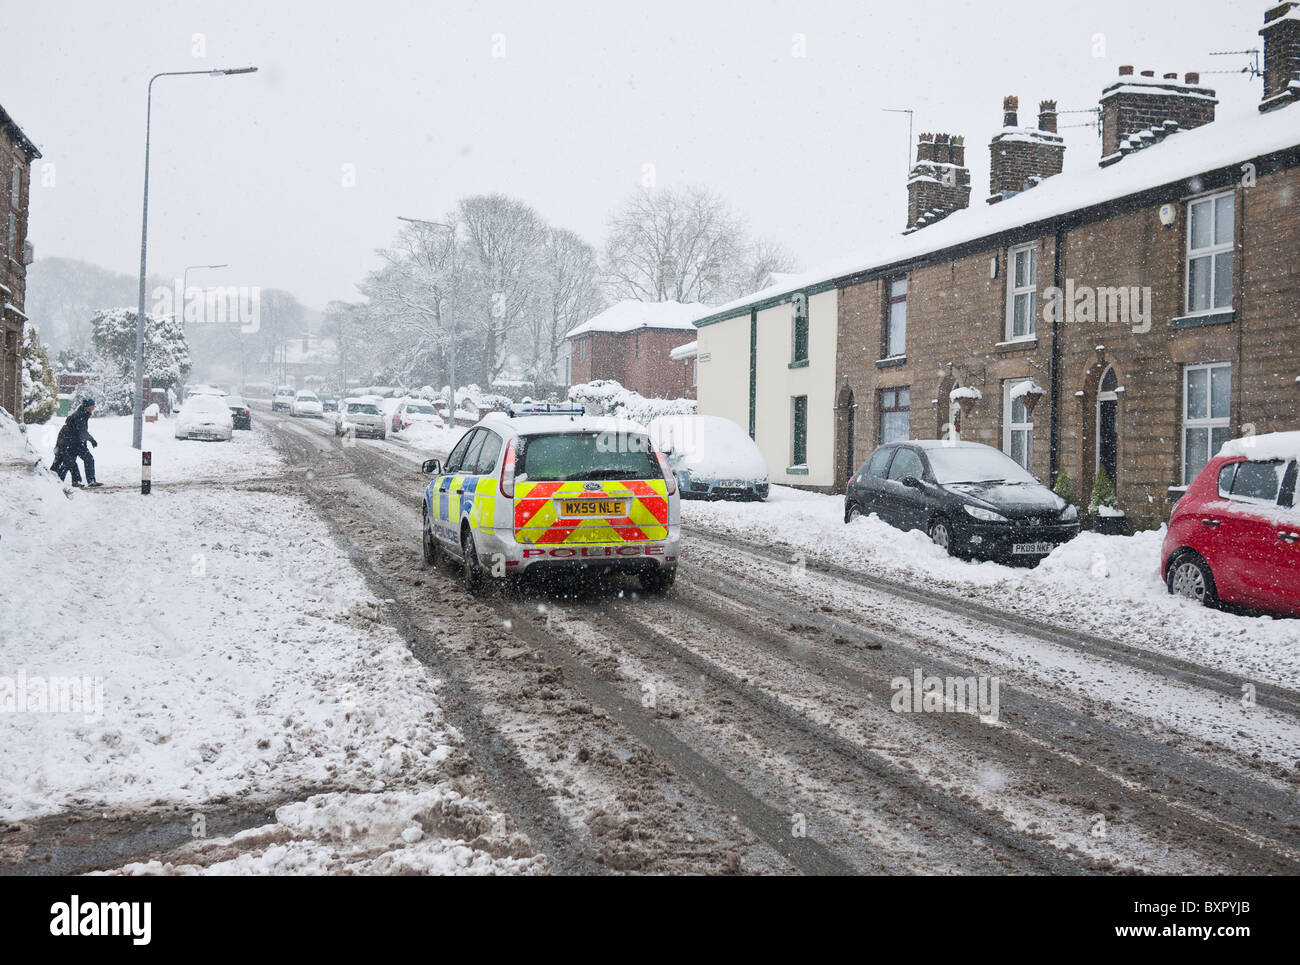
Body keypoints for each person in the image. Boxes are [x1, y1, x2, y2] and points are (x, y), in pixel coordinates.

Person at [52, 397, 99, 487]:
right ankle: (59, 481)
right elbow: (82, 432)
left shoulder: (83, 414)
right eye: (92, 406)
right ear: (87, 406)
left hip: (74, 442)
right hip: (72, 442)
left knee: (70, 462)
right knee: (76, 461)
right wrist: (92, 440)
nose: (93, 408)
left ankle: (76, 481)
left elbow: (81, 432)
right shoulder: (80, 415)